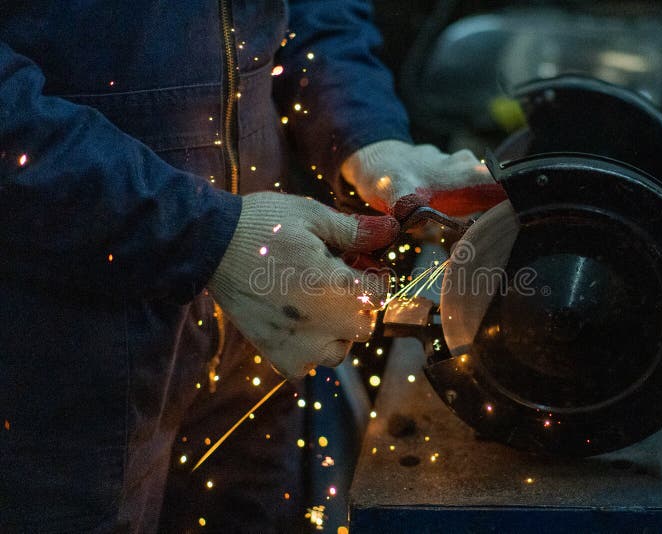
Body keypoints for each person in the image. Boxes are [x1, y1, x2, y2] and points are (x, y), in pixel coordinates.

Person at [0, 1, 504, 531]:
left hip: (260, 325)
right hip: (59, 352)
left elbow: (313, 11)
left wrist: (365, 135)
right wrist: (197, 230)